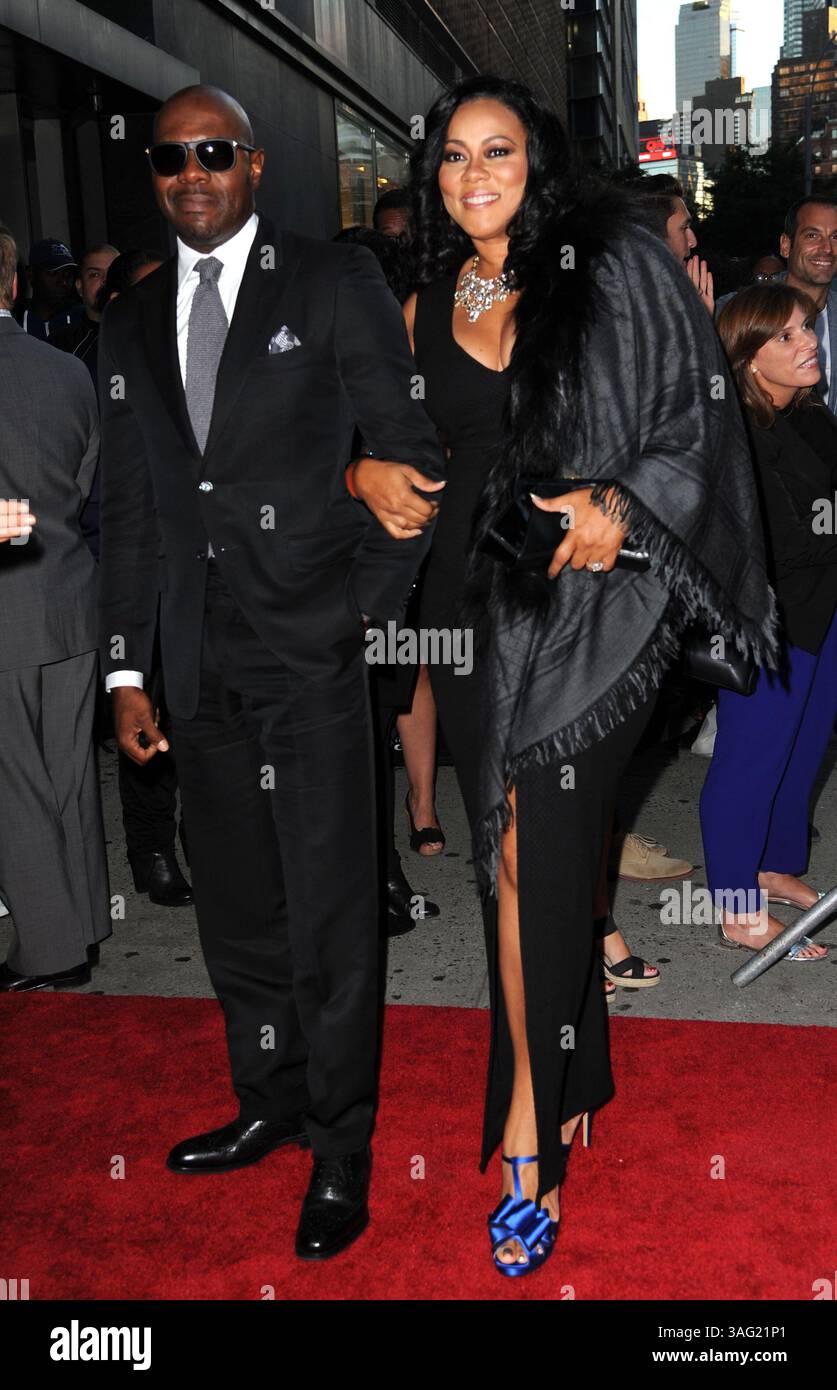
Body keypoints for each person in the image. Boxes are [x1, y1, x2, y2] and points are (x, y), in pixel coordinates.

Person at [351, 76, 775, 1277]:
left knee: (538, 845)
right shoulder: (426, 296)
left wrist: (618, 504)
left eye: (498, 150)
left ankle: (529, 1129)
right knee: (507, 853)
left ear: (538, 160)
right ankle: (571, 1064)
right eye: (451, 156)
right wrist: (350, 483)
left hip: (598, 603)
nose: (473, 172)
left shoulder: (612, 267)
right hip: (472, 609)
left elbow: (697, 423)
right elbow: (390, 451)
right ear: (432, 174)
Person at [97, 85, 444, 1260]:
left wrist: (359, 620)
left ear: (253, 165)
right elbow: (134, 508)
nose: (191, 172)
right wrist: (124, 673)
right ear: (152, 175)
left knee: (333, 907)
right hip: (192, 661)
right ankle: (270, 1099)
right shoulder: (132, 322)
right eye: (169, 158)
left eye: (214, 153)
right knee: (239, 908)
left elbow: (408, 459)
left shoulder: (331, 282)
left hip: (308, 649)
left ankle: (343, 1143)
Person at [701, 284, 837, 963]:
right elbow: (778, 542)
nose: (806, 339)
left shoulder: (808, 415)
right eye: (784, 336)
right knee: (749, 761)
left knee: (804, 749)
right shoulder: (735, 431)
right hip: (767, 622)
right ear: (748, 359)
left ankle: (774, 866)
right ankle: (733, 902)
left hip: (823, 613)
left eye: (804, 326)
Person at [0, 224, 111, 992]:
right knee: (67, 773)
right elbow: (83, 486)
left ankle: (48, 950)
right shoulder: (68, 370)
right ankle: (83, 928)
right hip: (70, 592)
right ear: (11, 285)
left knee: (14, 781)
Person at [718, 197, 837, 416]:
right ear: (785, 245)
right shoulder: (735, 311)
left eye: (835, 237)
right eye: (812, 235)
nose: (827, 248)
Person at [52, 243, 120, 369]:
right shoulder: (61, 347)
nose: (106, 280)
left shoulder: (145, 334)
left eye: (113, 273)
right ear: (79, 286)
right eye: (95, 274)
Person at [15, 239, 84, 341]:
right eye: (53, 273)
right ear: (31, 274)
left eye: (67, 274)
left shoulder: (82, 319)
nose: (63, 282)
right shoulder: (15, 320)